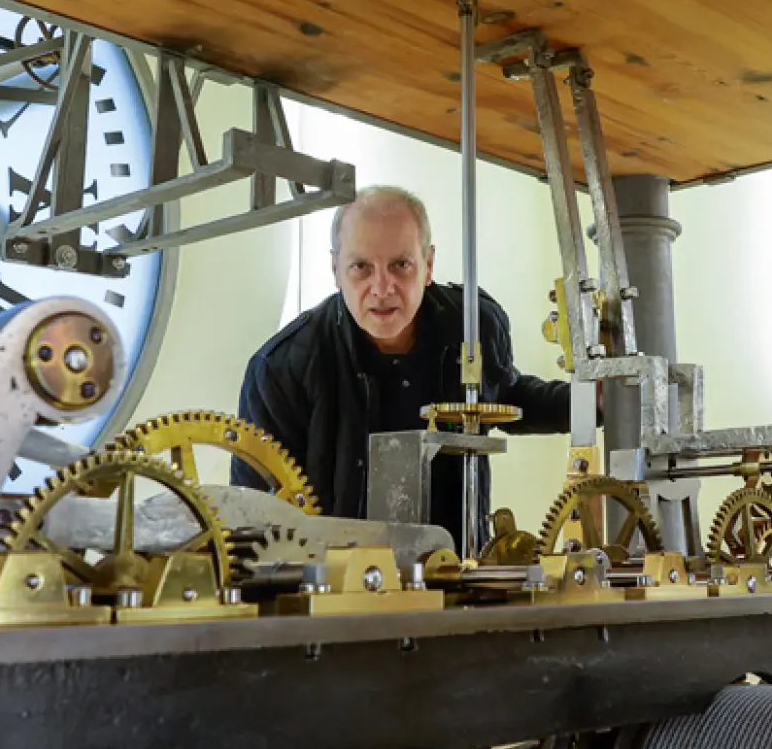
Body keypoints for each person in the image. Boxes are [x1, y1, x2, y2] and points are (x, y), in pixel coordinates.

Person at [234, 186, 571, 541]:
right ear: (335, 269)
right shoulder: (280, 369)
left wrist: (592, 401)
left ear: (428, 265)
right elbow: (254, 518)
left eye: (400, 265)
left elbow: (507, 396)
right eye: (361, 267)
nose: (382, 288)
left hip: (458, 577)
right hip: (334, 587)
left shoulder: (472, 326)